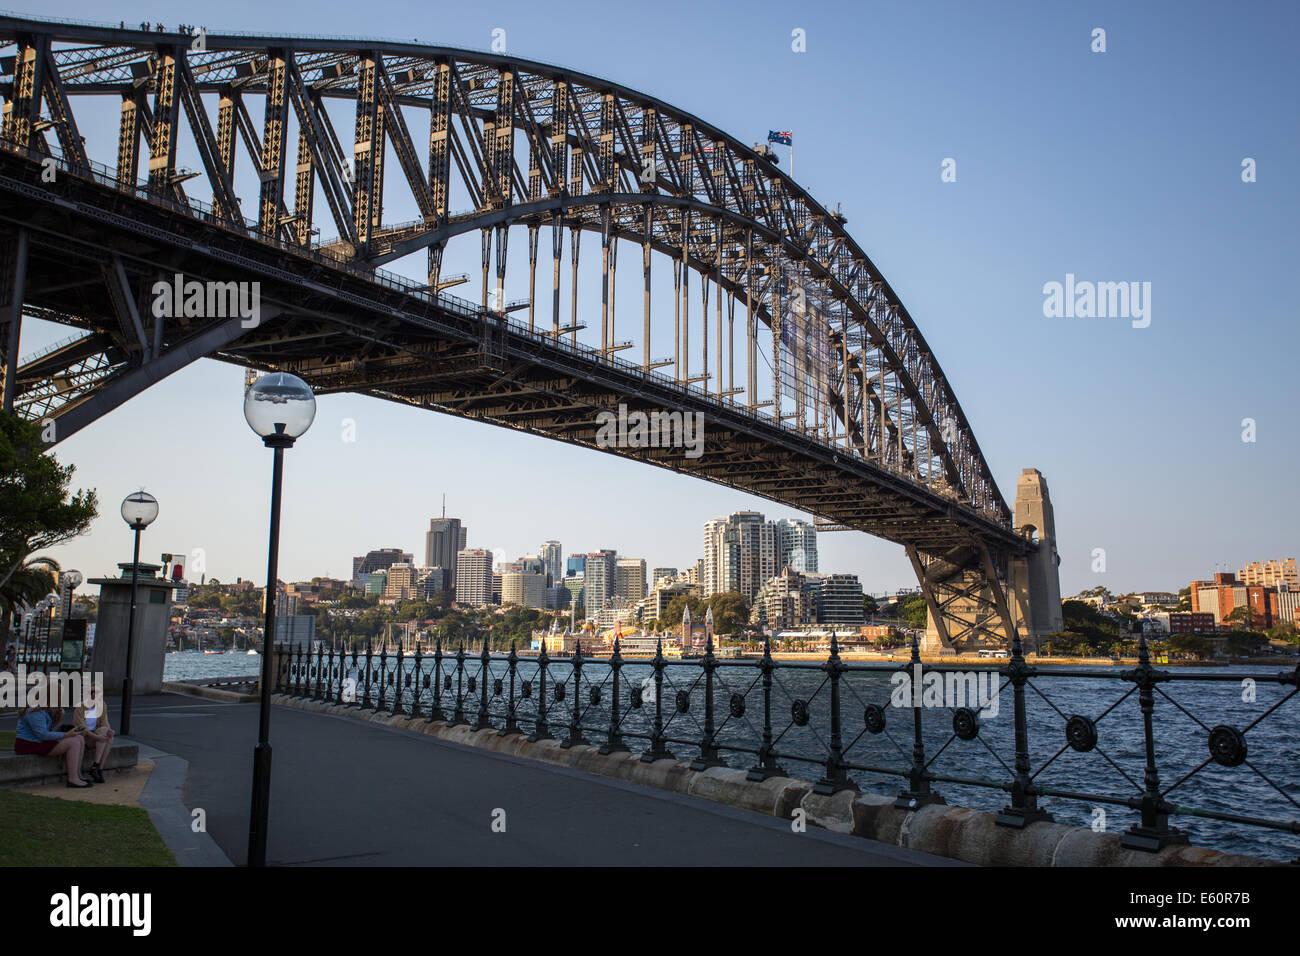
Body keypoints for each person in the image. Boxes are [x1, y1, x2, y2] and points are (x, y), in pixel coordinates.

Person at [14, 707, 93, 788]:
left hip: (38, 741)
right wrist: (66, 735)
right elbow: (43, 734)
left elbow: (46, 728)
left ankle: (78, 774)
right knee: (74, 742)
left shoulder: (44, 710)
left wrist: (58, 717)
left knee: (79, 738)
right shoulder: (34, 711)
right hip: (29, 744)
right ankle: (73, 779)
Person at [71, 700, 115, 784]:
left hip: (96, 735)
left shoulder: (101, 705)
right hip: (84, 737)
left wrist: (109, 731)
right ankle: (95, 768)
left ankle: (98, 768)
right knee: (103, 736)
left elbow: (105, 723)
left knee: (108, 736)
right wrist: (97, 737)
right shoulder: (80, 707)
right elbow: (81, 727)